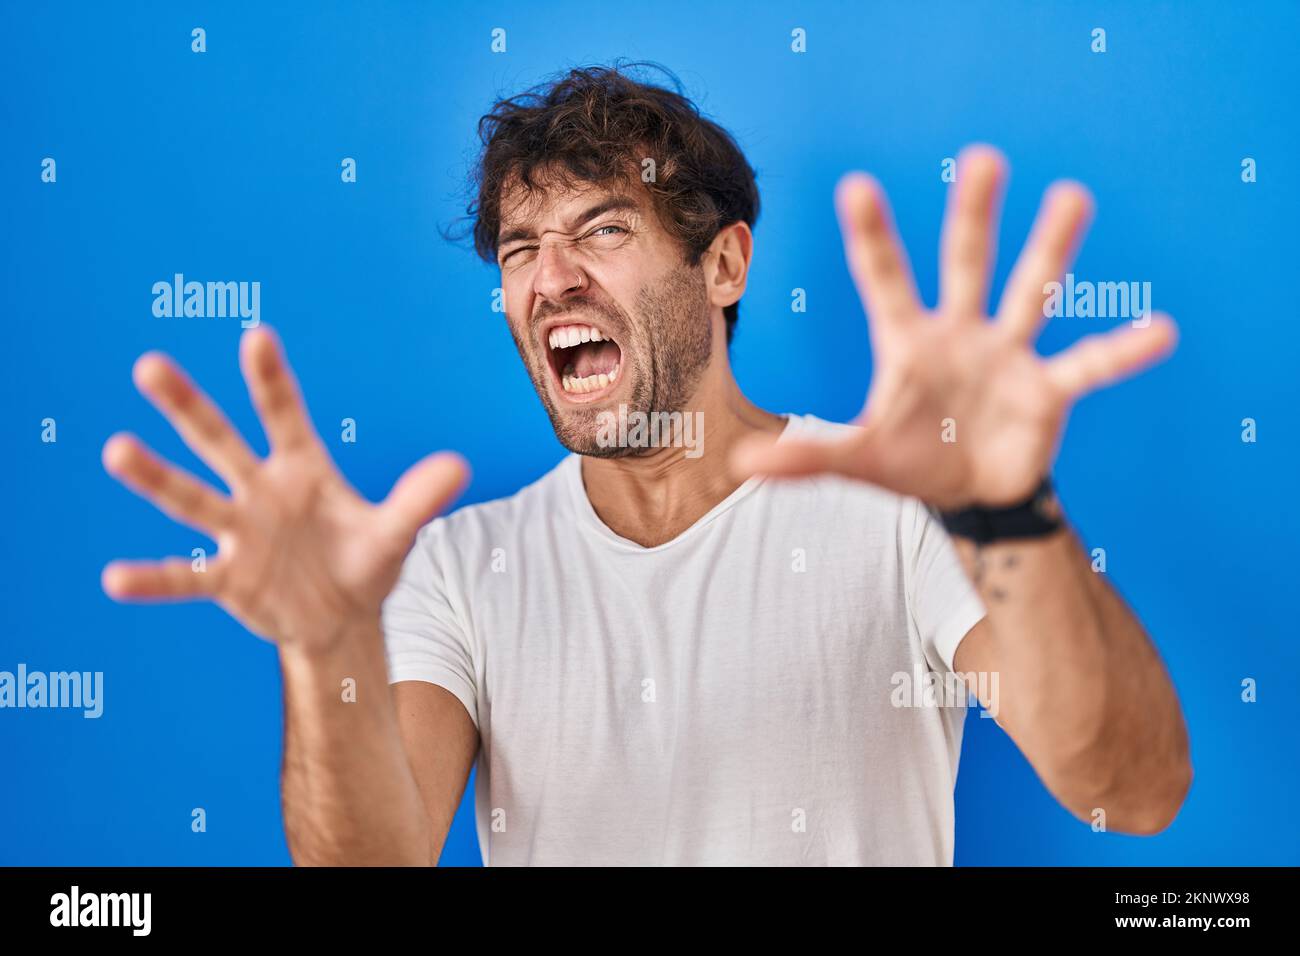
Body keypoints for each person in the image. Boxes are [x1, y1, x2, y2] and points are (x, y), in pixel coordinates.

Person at [101, 65, 1191, 865]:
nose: (552, 276)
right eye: (521, 248)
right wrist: (322, 644)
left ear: (722, 263)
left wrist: (1003, 508)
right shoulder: (458, 565)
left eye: (603, 229)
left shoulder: (899, 515)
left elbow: (1127, 789)